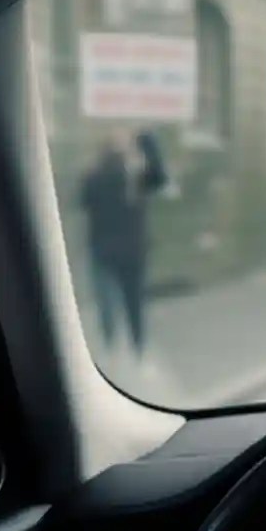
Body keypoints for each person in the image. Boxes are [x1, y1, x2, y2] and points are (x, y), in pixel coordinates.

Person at [79, 128, 168, 366]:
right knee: (134, 304)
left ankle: (112, 351)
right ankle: (138, 351)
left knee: (107, 305)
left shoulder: (93, 177)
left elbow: (83, 202)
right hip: (132, 251)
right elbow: (160, 177)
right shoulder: (135, 178)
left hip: (103, 251)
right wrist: (146, 140)